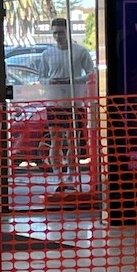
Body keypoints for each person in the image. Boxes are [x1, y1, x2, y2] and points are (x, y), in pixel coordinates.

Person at [41, 18, 93, 184]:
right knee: (55, 139)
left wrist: (73, 80)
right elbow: (41, 77)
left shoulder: (80, 51)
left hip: (74, 102)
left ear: (68, 32)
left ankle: (72, 175)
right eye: (55, 33)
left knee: (73, 140)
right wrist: (51, 82)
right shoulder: (47, 54)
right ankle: (58, 177)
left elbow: (91, 74)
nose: (58, 36)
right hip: (54, 102)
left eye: (61, 32)